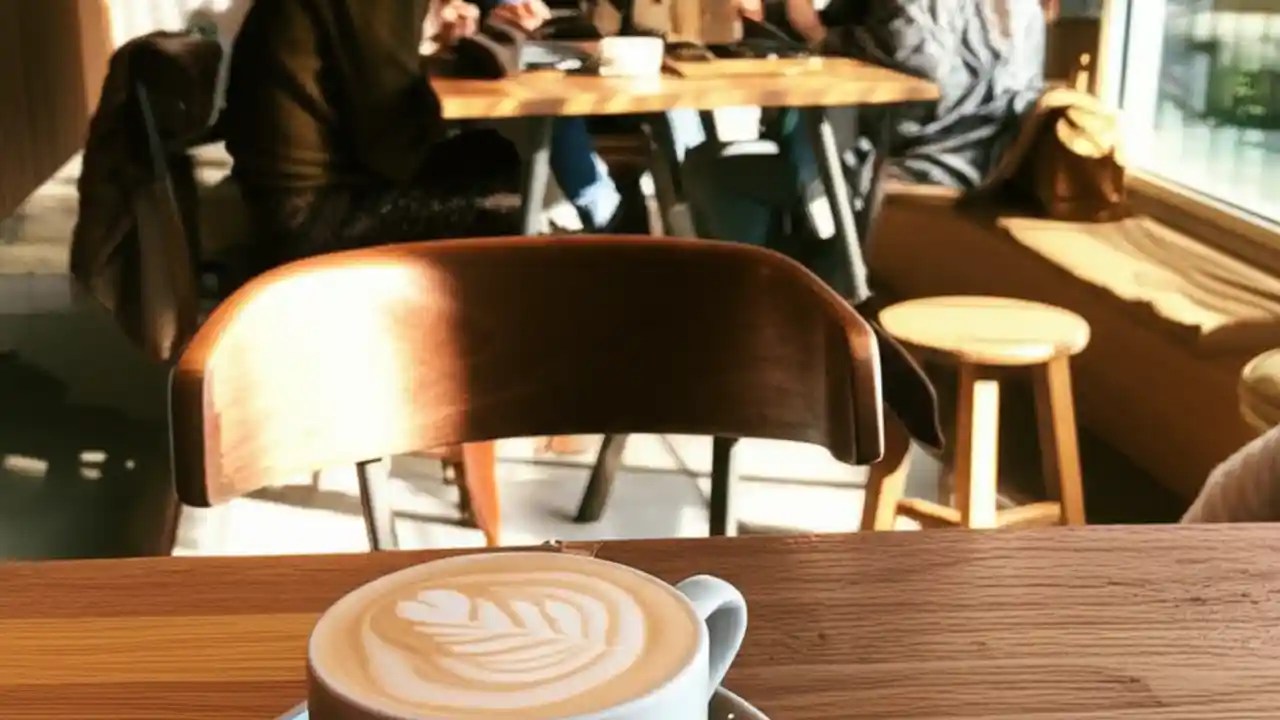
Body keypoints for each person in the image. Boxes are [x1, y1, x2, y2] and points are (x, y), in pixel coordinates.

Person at [221, 0, 525, 266]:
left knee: (489, 155)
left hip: (290, 198)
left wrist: (432, 29)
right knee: (504, 191)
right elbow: (394, 150)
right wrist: (503, 31)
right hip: (306, 219)